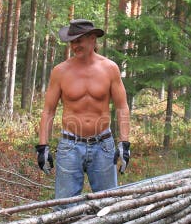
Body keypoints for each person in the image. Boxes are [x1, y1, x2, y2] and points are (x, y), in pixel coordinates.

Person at [36, 19, 131, 199]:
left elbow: (122, 106)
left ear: (92, 39)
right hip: (70, 146)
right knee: (65, 208)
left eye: (78, 40)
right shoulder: (60, 71)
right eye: (72, 41)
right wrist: (42, 147)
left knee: (109, 204)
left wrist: (124, 144)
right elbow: (48, 110)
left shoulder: (110, 68)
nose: (74, 45)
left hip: (103, 145)